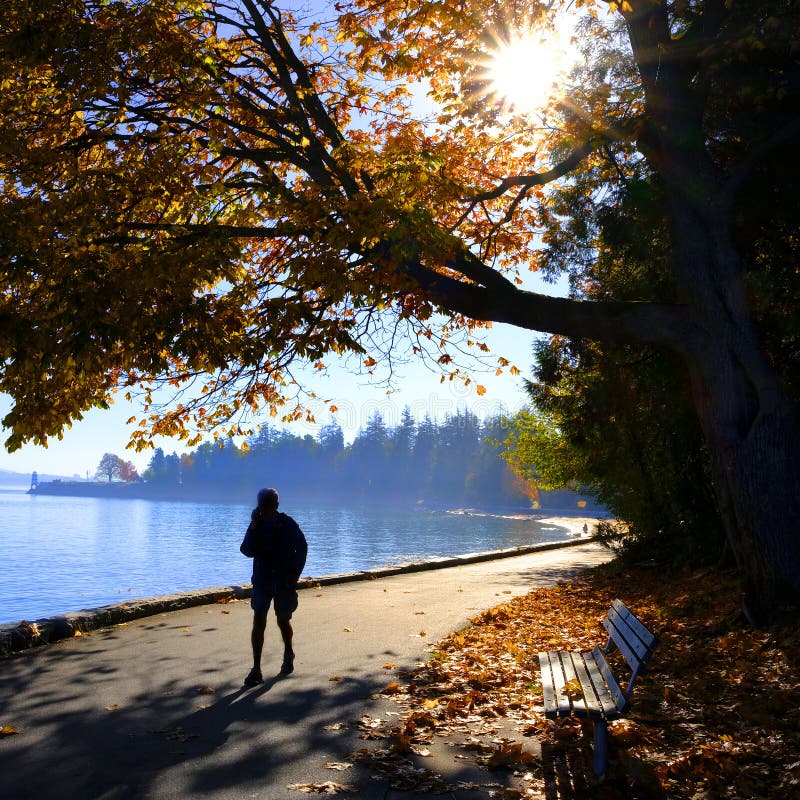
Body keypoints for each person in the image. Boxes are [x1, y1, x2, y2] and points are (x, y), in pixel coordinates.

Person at [240, 488, 307, 686]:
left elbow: (302, 547)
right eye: (264, 503)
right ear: (259, 505)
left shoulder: (288, 524)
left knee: (282, 620)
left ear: (276, 505)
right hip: (262, 581)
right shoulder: (256, 525)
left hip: (284, 582)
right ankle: (256, 669)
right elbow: (246, 550)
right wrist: (253, 526)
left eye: (271, 503)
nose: (268, 507)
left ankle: (288, 652)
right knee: (259, 621)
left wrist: (295, 574)